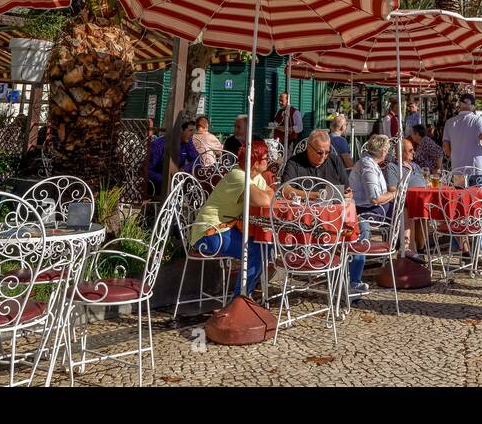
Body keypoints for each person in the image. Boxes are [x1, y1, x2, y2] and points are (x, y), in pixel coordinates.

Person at [187, 137, 273, 299]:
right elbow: (266, 200)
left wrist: (264, 192)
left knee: (264, 247)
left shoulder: (255, 177)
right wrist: (263, 193)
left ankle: (244, 296)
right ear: (254, 161)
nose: (268, 160)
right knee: (256, 251)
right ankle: (240, 300)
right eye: (265, 157)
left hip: (225, 228)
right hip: (208, 233)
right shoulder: (238, 176)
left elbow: (271, 193)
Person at [283, 129, 365, 296]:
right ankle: (338, 279)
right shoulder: (295, 162)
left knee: (363, 230)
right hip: (305, 224)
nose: (323, 156)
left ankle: (351, 281)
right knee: (334, 241)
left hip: (334, 218)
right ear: (309, 148)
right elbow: (285, 189)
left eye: (327, 152)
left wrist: (347, 194)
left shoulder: (334, 161)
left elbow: (348, 190)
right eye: (320, 152)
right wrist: (315, 195)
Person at [149, 120, 197, 190]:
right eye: (190, 130)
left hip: (178, 183)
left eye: (194, 131)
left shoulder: (187, 143)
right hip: (158, 185)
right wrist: (166, 180)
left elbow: (197, 160)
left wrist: (185, 169)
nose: (192, 134)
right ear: (180, 130)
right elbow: (148, 170)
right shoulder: (158, 145)